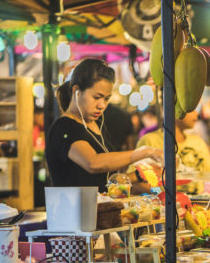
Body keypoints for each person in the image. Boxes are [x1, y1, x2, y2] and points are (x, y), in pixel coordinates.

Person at [46, 58, 163, 193]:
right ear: (76, 91)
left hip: (100, 206)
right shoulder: (63, 127)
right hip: (73, 206)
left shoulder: (97, 124)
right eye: (96, 97)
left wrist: (141, 174)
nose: (102, 105)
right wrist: (145, 152)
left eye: (106, 99)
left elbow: (105, 182)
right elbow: (93, 163)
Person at [136, 109, 210, 173]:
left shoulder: (198, 142)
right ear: (174, 109)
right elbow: (136, 180)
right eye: (191, 109)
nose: (196, 114)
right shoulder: (149, 140)